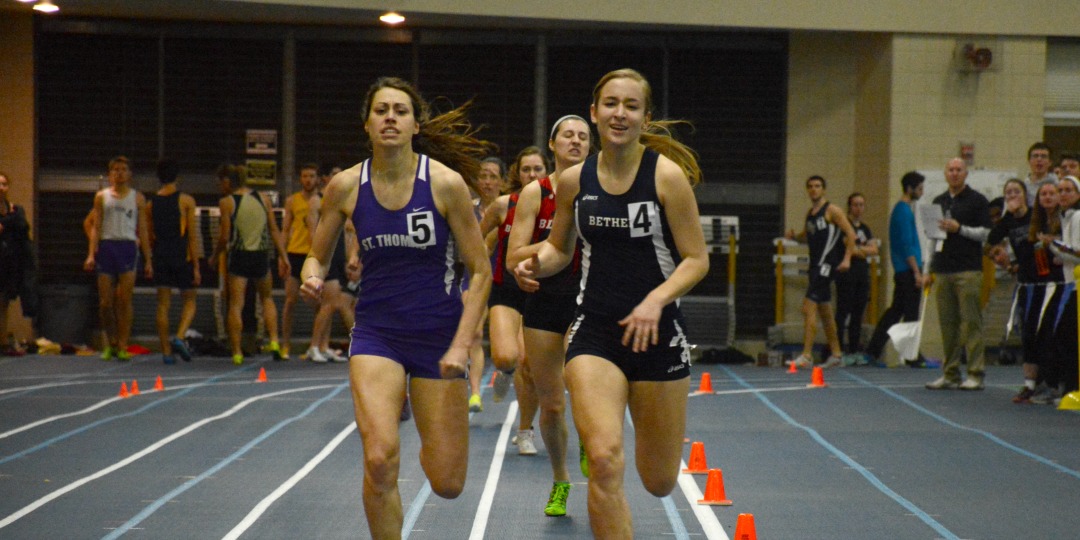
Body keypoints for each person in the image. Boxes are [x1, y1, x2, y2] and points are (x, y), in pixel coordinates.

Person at [512, 68, 709, 537]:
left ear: (645, 117)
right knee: (601, 459)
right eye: (612, 104)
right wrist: (533, 263)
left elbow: (697, 260)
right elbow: (560, 249)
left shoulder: (666, 177)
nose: (621, 113)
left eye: (632, 105)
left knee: (659, 480)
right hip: (594, 331)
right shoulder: (574, 180)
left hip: (657, 335)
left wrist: (655, 301)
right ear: (595, 112)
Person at [298, 76, 493, 539]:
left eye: (400, 111)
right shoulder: (345, 186)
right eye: (381, 110)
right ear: (366, 124)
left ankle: (433, 438)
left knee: (448, 482)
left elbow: (480, 272)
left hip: (439, 337)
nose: (390, 118)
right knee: (380, 458)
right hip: (376, 334)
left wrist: (463, 345)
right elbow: (315, 255)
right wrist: (311, 277)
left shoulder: (446, 185)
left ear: (415, 124)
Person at [507, 115, 592, 516]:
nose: (575, 141)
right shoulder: (534, 193)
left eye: (583, 136)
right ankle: (561, 479)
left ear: (590, 146)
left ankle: (593, 445)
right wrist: (551, 246)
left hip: (588, 302)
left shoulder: (599, 187)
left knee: (588, 391)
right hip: (543, 300)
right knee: (553, 404)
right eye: (568, 135)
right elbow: (512, 255)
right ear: (553, 144)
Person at [479, 148, 545, 453]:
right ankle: (503, 371)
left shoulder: (560, 207)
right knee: (507, 357)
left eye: (538, 169)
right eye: (526, 170)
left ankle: (525, 430)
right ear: (517, 175)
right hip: (506, 290)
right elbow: (479, 240)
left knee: (528, 363)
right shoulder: (504, 205)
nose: (532, 175)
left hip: (539, 292)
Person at [987, 180, 1064, 402]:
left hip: (1047, 282)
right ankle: (1030, 384)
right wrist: (1006, 262)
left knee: (1046, 333)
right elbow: (991, 241)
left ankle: (1050, 382)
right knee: (1028, 334)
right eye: (1008, 193)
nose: (1012, 196)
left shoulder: (1036, 216)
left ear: (1025, 195)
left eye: (1016, 192)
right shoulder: (1008, 221)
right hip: (1026, 283)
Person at [925, 157, 992, 390]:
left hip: (968, 270)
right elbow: (932, 238)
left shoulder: (977, 201)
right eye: (950, 170)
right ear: (945, 174)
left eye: (958, 170)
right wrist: (928, 269)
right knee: (948, 324)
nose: (954, 174)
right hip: (943, 269)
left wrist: (959, 229)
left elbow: (986, 233)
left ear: (966, 174)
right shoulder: (938, 201)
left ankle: (975, 373)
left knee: (971, 322)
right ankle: (950, 372)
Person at [212, 163, 288, 365]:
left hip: (240, 255)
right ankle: (273, 341)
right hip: (261, 255)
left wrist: (213, 257)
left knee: (236, 305)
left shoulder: (227, 202)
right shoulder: (263, 199)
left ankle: (236, 351)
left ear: (228, 182)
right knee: (267, 298)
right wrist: (283, 257)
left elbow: (224, 236)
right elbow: (274, 230)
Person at [83, 156, 153, 361]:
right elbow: (95, 226)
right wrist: (90, 253)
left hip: (127, 247)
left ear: (129, 174)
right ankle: (110, 340)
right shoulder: (102, 197)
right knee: (105, 302)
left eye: (123, 169)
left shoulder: (137, 198)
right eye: (115, 170)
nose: (119, 173)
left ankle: (123, 343)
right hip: (107, 247)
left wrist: (148, 260)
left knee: (124, 300)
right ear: (110, 174)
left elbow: (144, 231)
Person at [785, 175, 856, 369]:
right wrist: (795, 238)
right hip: (815, 265)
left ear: (823, 189)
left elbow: (850, 233)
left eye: (817, 186)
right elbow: (807, 236)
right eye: (810, 186)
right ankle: (837, 353)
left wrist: (847, 258)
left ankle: (807, 355)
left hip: (826, 265)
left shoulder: (832, 210)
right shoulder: (811, 213)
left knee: (808, 307)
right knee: (825, 311)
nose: (814, 190)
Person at [865, 172, 928, 365]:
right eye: (919, 188)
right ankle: (912, 355)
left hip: (905, 271)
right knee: (910, 314)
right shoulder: (903, 211)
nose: (922, 191)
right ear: (909, 189)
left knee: (895, 312)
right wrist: (917, 272)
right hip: (907, 271)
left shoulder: (904, 210)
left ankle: (873, 349)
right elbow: (906, 244)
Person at [147, 158, 201, 364]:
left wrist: (152, 260)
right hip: (181, 256)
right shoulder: (186, 201)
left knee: (163, 305)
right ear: (177, 177)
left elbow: (151, 236)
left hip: (161, 255)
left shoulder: (151, 205)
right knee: (190, 301)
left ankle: (166, 352)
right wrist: (196, 265)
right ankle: (179, 336)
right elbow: (192, 236)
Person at [462, 157, 502, 411]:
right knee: (474, 334)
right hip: (473, 279)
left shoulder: (509, 207)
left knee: (507, 351)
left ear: (502, 181)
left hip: (502, 281)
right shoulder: (466, 209)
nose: (487, 182)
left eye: (492, 177)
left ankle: (506, 370)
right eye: (483, 176)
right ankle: (475, 393)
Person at [305, 163, 353, 363]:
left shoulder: (342, 200)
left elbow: (347, 231)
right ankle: (313, 346)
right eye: (334, 175)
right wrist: (318, 260)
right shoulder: (317, 201)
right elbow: (312, 233)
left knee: (330, 304)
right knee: (329, 303)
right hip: (326, 255)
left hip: (338, 254)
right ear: (325, 179)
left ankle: (323, 346)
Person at [280, 163, 321, 361]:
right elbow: (285, 229)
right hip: (295, 254)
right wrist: (282, 257)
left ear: (317, 179)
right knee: (290, 300)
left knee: (317, 302)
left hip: (313, 256)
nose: (308, 180)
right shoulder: (292, 201)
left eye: (312, 176)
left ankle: (316, 345)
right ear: (300, 179)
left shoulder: (322, 201)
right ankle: (285, 344)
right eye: (305, 176)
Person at [1046, 175, 1080, 404]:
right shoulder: (1065, 218)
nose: (1064, 194)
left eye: (1069, 190)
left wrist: (1053, 244)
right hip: (1071, 283)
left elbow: (1076, 251)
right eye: (1061, 190)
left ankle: (1071, 386)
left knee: (1067, 336)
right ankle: (1068, 385)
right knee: (1066, 336)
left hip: (1077, 286)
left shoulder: (1077, 217)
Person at [833, 192, 878, 364]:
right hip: (846, 274)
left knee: (858, 313)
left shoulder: (865, 228)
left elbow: (873, 250)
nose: (858, 208)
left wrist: (858, 249)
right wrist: (860, 249)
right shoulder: (844, 226)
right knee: (843, 312)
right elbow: (848, 245)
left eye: (861, 204)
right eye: (855, 204)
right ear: (849, 206)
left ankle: (853, 350)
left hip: (861, 274)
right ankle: (837, 350)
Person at [0, 172, 37, 356]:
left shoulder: (15, 209)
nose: (1, 188)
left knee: (4, 302)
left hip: (8, 262)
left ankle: (3, 341)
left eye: (4, 184)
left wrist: (6, 223)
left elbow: (21, 226)